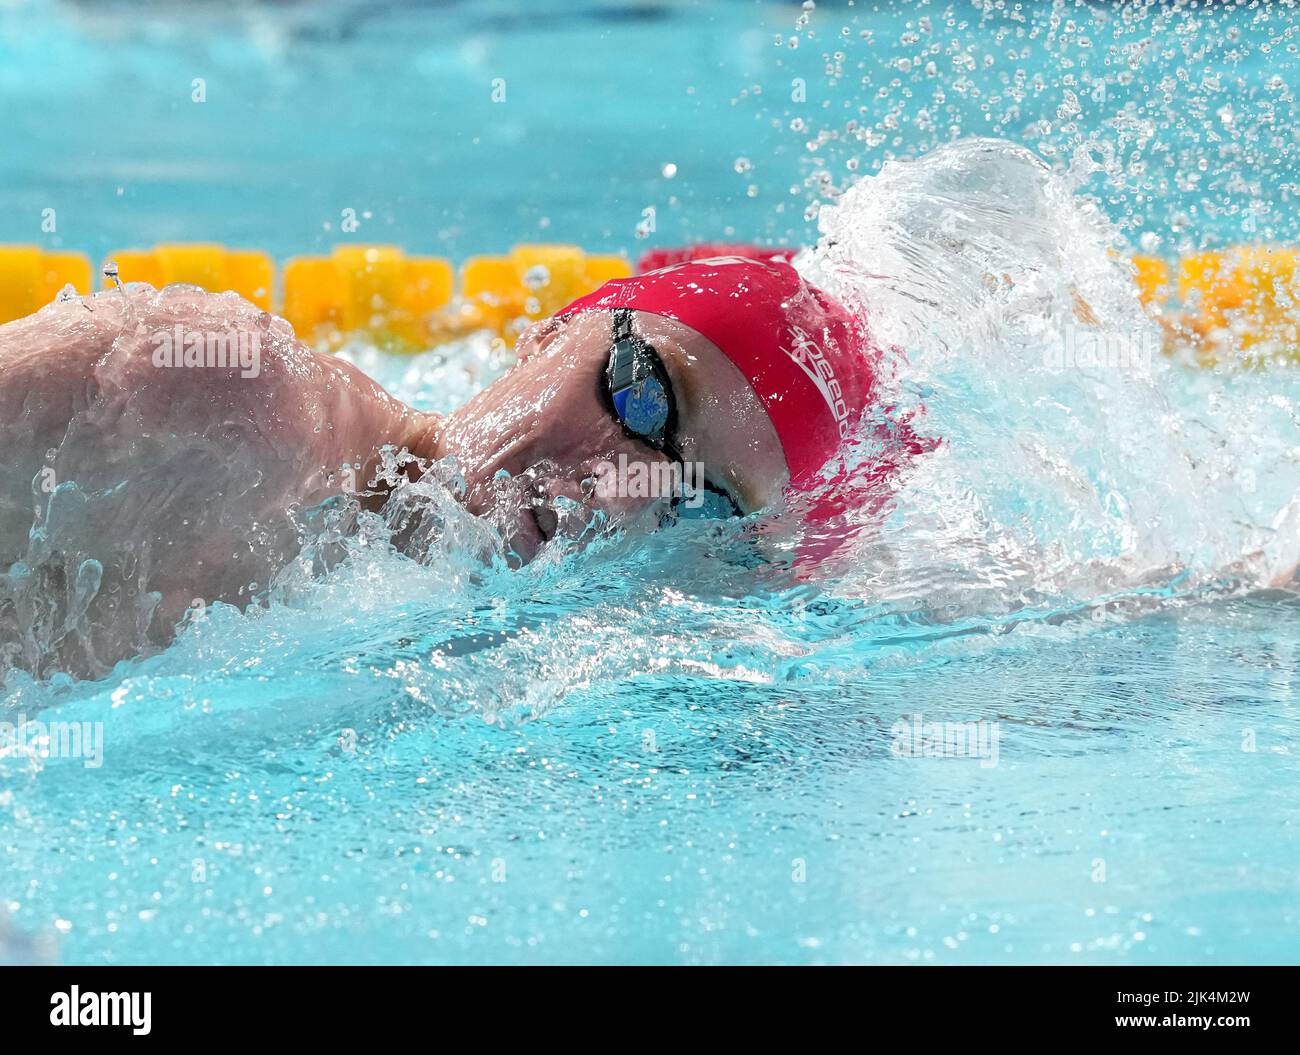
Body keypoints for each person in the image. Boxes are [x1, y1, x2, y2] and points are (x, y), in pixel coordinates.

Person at [0, 256, 907, 676]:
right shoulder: (223, 403)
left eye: (697, 500)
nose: (622, 489)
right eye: (642, 394)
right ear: (548, 331)